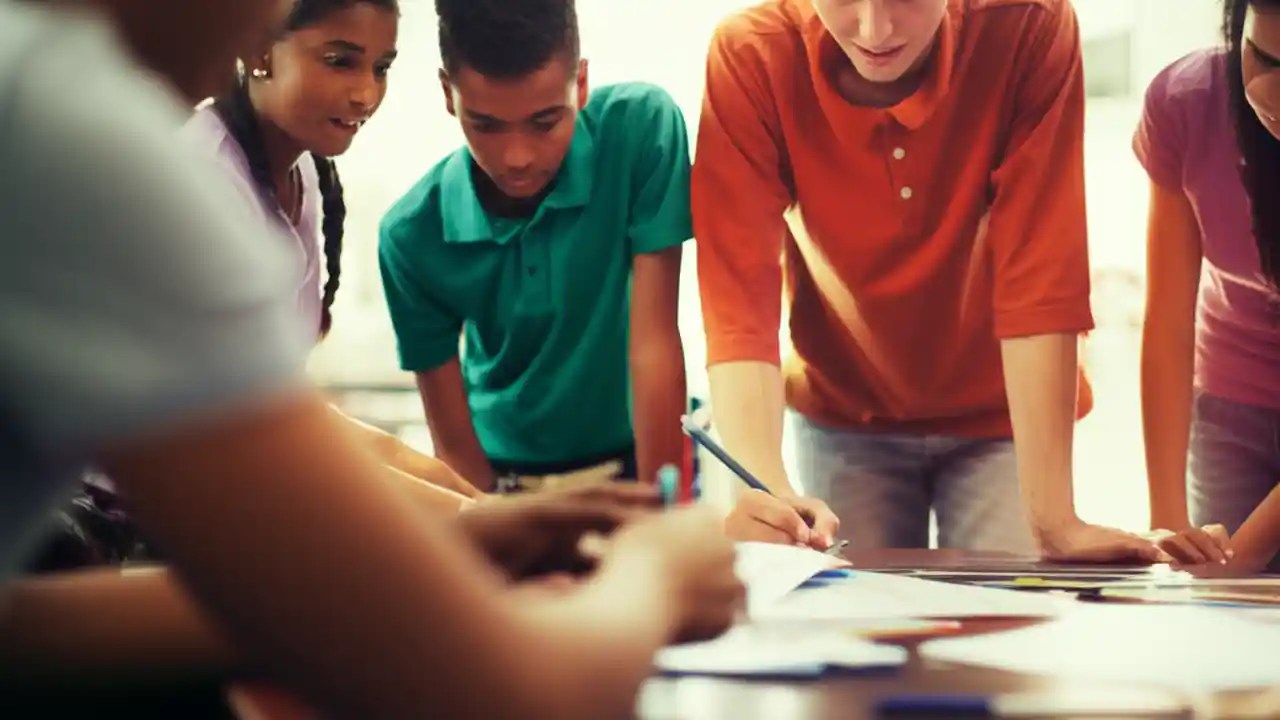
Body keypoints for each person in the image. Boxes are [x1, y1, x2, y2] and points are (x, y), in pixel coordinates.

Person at [0, 2, 742, 717]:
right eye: (334, 54)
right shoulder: (73, 134)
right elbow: (516, 696)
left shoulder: (44, 92)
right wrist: (656, 576)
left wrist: (458, 536)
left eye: (380, 64)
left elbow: (31, 628)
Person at [692, 0, 1160, 561]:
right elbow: (739, 299)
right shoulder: (751, 53)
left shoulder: (1027, 23)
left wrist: (1055, 517)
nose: (874, 30)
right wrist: (766, 491)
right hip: (845, 414)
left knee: (1010, 634)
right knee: (857, 627)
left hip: (1004, 417)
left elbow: (1042, 274)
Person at [379, 0, 691, 494]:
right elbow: (455, 446)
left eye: (545, 122)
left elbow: (653, 343)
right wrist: (498, 534)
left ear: (581, 83)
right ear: (447, 93)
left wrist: (659, 512)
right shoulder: (409, 235)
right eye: (485, 125)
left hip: (640, 462)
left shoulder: (641, 132)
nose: (518, 157)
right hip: (501, 480)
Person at [183, 0, 481, 512]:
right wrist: (467, 516)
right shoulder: (205, 178)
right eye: (340, 61)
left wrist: (477, 502)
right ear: (260, 50)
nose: (366, 93)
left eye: (381, 67)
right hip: (130, 523)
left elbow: (288, 417)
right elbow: (247, 443)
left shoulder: (304, 179)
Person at [1147, 0, 1280, 576]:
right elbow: (1168, 323)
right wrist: (1170, 528)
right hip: (1231, 406)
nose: (1276, 95)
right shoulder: (1187, 102)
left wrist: (1234, 556)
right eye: (1263, 59)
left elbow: (1234, 561)